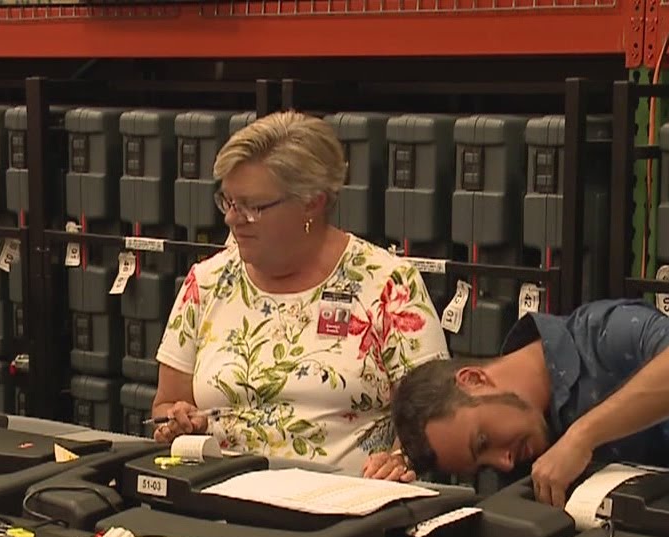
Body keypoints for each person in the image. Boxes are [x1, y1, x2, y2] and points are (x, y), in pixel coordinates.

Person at [152, 110, 449, 480]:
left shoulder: (388, 285)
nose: (231, 219)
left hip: (345, 510)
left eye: (252, 207)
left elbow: (437, 419)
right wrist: (176, 423)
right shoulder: (207, 282)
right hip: (219, 499)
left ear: (313, 202)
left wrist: (401, 459)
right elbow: (165, 405)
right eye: (227, 202)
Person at [391, 298, 669, 506]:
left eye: (483, 442)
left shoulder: (600, 334)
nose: (501, 462)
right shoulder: (519, 447)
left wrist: (584, 435)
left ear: (475, 379)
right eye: (482, 465)